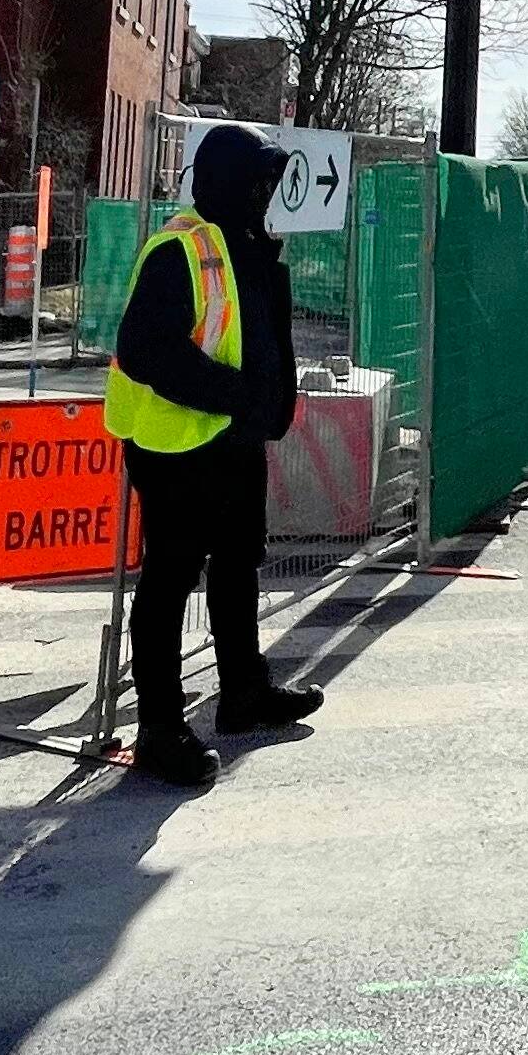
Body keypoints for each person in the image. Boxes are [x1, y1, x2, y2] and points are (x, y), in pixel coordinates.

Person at [101, 123, 325, 785]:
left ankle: (243, 692)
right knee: (169, 581)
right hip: (176, 444)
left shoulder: (243, 245)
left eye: (271, 183)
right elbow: (147, 351)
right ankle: (161, 729)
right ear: (229, 183)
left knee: (237, 564)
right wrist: (236, 394)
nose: (266, 194)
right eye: (257, 182)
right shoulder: (182, 247)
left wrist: (259, 406)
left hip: (231, 439)